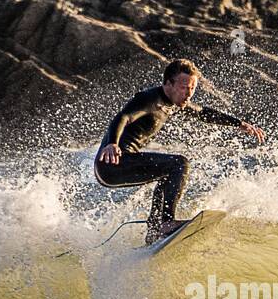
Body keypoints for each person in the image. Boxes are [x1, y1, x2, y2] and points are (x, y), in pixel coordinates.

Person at [95, 59, 266, 244]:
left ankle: (154, 230)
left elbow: (203, 113)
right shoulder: (149, 99)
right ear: (168, 84)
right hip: (113, 164)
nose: (189, 93)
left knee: (167, 174)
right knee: (179, 163)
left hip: (116, 166)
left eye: (192, 88)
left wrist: (239, 124)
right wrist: (112, 143)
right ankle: (166, 222)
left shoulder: (174, 102)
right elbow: (124, 117)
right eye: (184, 87)